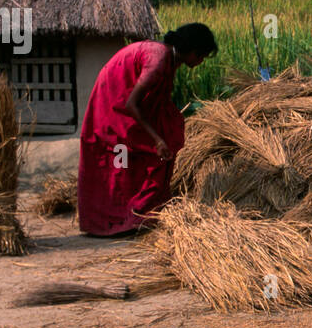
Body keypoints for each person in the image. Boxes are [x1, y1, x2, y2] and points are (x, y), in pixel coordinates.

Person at [77, 23, 217, 237]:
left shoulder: (169, 58)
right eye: (202, 56)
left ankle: (139, 211)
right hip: (114, 104)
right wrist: (157, 140)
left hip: (125, 103)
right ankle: (119, 219)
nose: (200, 62)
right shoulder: (159, 60)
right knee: (123, 159)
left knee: (169, 131)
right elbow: (131, 104)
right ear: (192, 50)